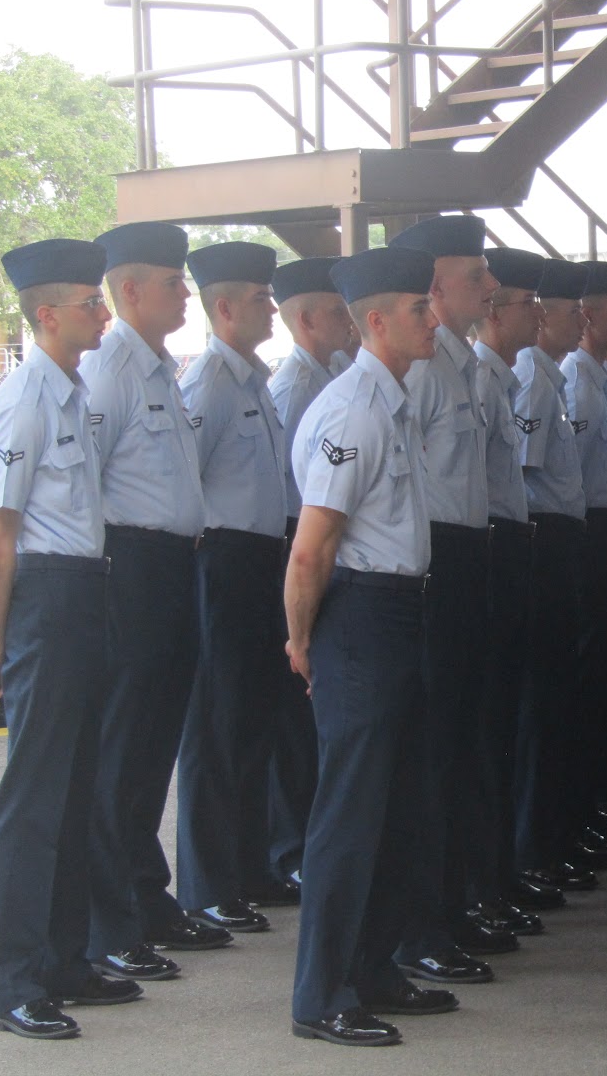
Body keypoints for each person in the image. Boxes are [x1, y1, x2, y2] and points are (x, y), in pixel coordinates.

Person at [286, 246, 455, 1047]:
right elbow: (311, 549)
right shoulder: (354, 411)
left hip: (399, 612)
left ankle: (375, 966)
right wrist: (301, 640)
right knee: (350, 815)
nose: (434, 319)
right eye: (420, 310)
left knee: (401, 808)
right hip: (360, 617)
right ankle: (321, 994)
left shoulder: (394, 402)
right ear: (377, 321)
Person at [0, 238, 142, 1040]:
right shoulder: (24, 400)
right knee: (34, 799)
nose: (102, 313)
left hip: (84, 592)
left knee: (78, 787)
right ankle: (13, 982)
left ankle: (65, 960)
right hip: (45, 598)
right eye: (89, 302)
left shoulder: (72, 390)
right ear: (46, 315)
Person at [81, 222, 224, 984]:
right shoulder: (110, 371)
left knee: (154, 745)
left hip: (172, 567)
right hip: (130, 568)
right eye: (173, 283)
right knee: (123, 750)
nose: (186, 294)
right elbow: (87, 484)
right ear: (130, 290)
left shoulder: (161, 369)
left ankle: (145, 896)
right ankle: (108, 923)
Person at [389, 214, 514, 981]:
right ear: (434, 286)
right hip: (433, 563)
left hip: (469, 558)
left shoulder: (460, 362)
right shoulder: (420, 369)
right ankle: (418, 927)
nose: (490, 285)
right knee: (431, 754)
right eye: (476, 275)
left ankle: (455, 902)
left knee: (464, 745)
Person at [177, 240, 289, 934]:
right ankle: (209, 884)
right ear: (222, 308)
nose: (271, 308)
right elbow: (185, 480)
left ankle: (250, 868)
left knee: (253, 721)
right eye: (259, 298)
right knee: (217, 726)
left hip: (261, 561)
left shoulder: (252, 380)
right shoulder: (210, 385)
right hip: (223, 560)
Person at [267, 255, 360, 895]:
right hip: (297, 546)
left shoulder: (329, 376)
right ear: (304, 320)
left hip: (314, 546)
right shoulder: (296, 387)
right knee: (292, 717)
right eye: (335, 313)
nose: (347, 323)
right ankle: (287, 849)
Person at [470, 245, 550, 935]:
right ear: (494, 313)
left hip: (505, 549)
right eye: (530, 303)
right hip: (483, 553)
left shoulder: (495, 379)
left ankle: (496, 872)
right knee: (482, 727)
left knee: (500, 725)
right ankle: (478, 882)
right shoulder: (473, 378)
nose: (541, 315)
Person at [512, 258, 597, 896]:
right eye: (572, 312)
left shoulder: (549, 378)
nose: (578, 322)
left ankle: (552, 833)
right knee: (541, 698)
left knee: (565, 692)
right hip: (541, 539)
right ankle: (533, 846)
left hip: (560, 537)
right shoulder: (534, 381)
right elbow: (521, 467)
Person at [561, 260, 607, 867]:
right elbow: (559, 476)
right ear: (587, 316)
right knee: (586, 672)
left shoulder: (603, 381)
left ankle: (602, 788)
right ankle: (583, 799)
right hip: (587, 533)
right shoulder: (577, 384)